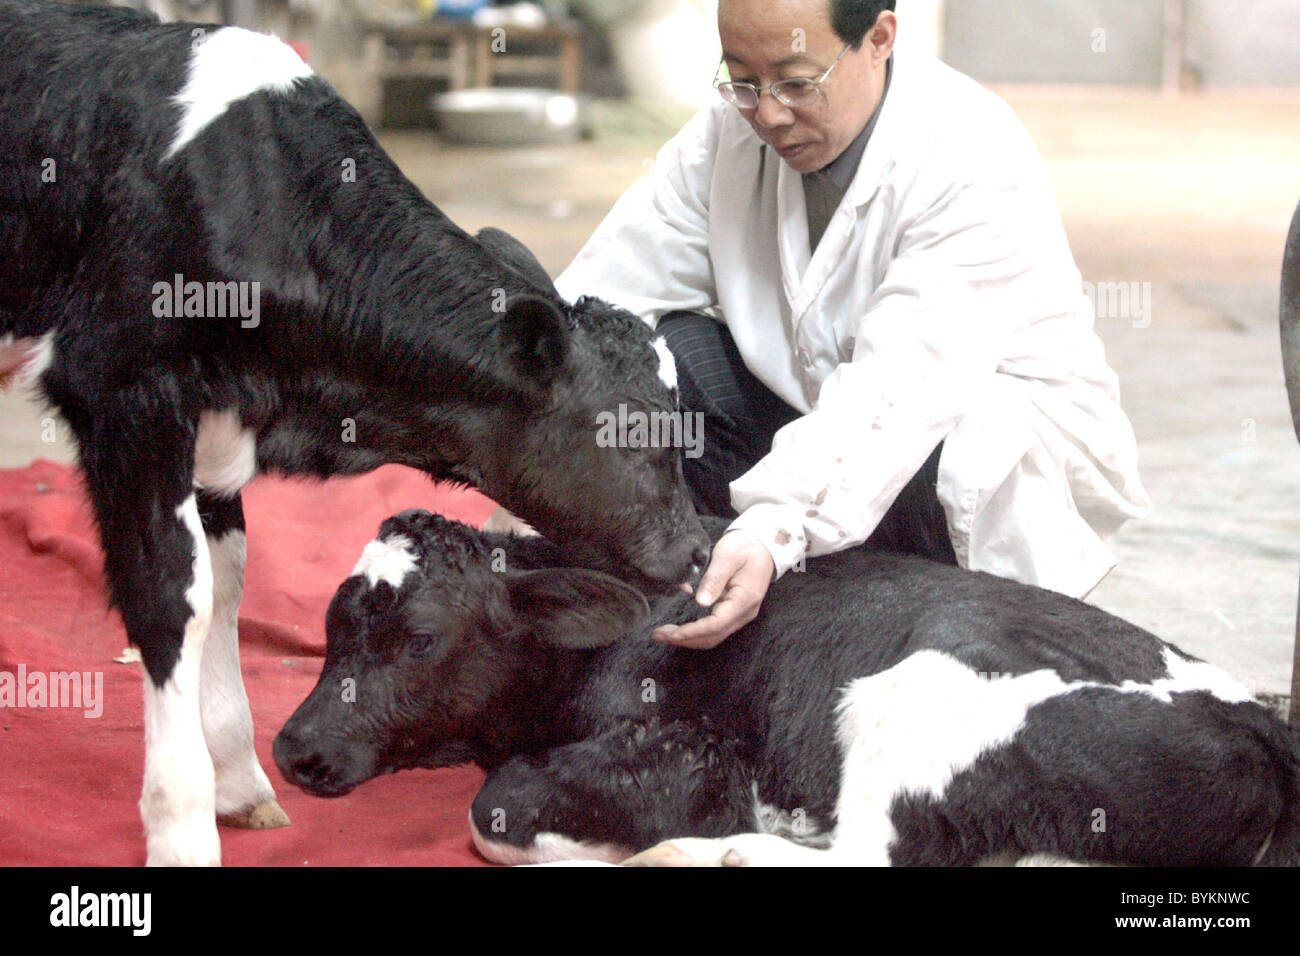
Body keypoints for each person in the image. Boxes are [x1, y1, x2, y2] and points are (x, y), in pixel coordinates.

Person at [553, 0, 1150, 649]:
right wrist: (537, 426)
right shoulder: (731, 130)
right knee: (666, 356)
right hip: (824, 419)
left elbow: (901, 387)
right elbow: (610, 283)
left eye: (796, 81)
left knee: (944, 447)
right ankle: (746, 567)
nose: (770, 114)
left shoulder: (970, 152)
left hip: (957, 448)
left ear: (879, 38)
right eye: (743, 80)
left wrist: (773, 527)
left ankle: (843, 589)